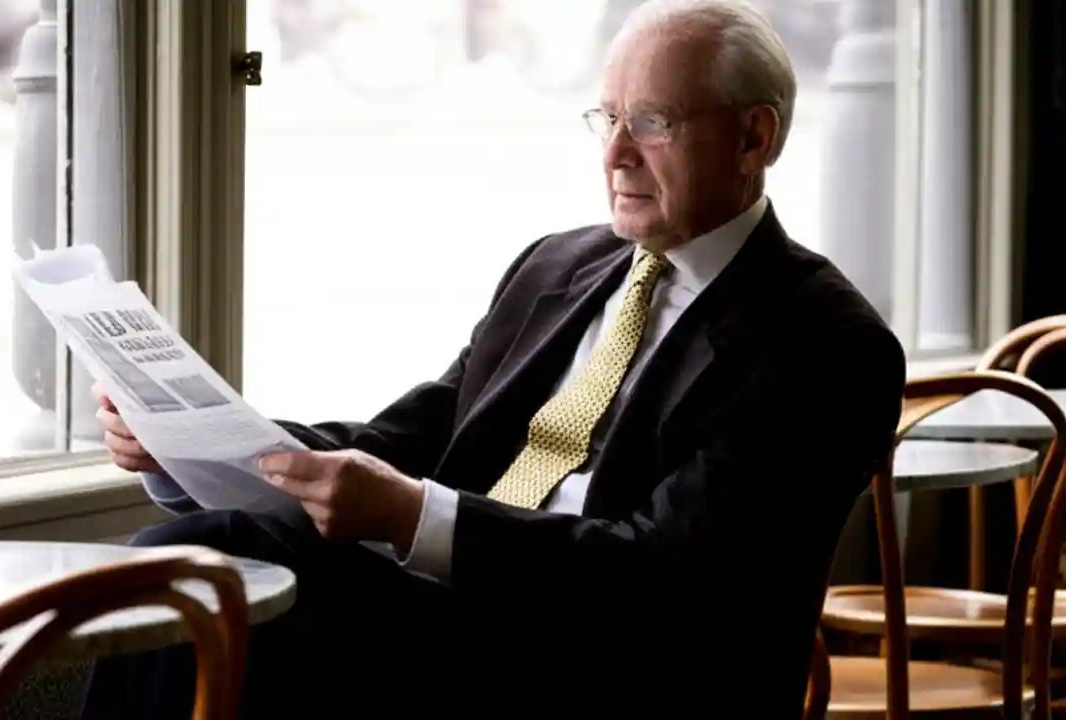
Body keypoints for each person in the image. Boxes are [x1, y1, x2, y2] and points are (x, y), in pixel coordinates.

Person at [80, 0, 906, 717]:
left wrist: (411, 517)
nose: (615, 154)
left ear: (753, 138)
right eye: (607, 118)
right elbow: (412, 436)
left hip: (604, 668)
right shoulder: (556, 266)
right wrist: (198, 443)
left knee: (212, 581)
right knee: (189, 558)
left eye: (653, 123)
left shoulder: (828, 344)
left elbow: (664, 579)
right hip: (450, 617)